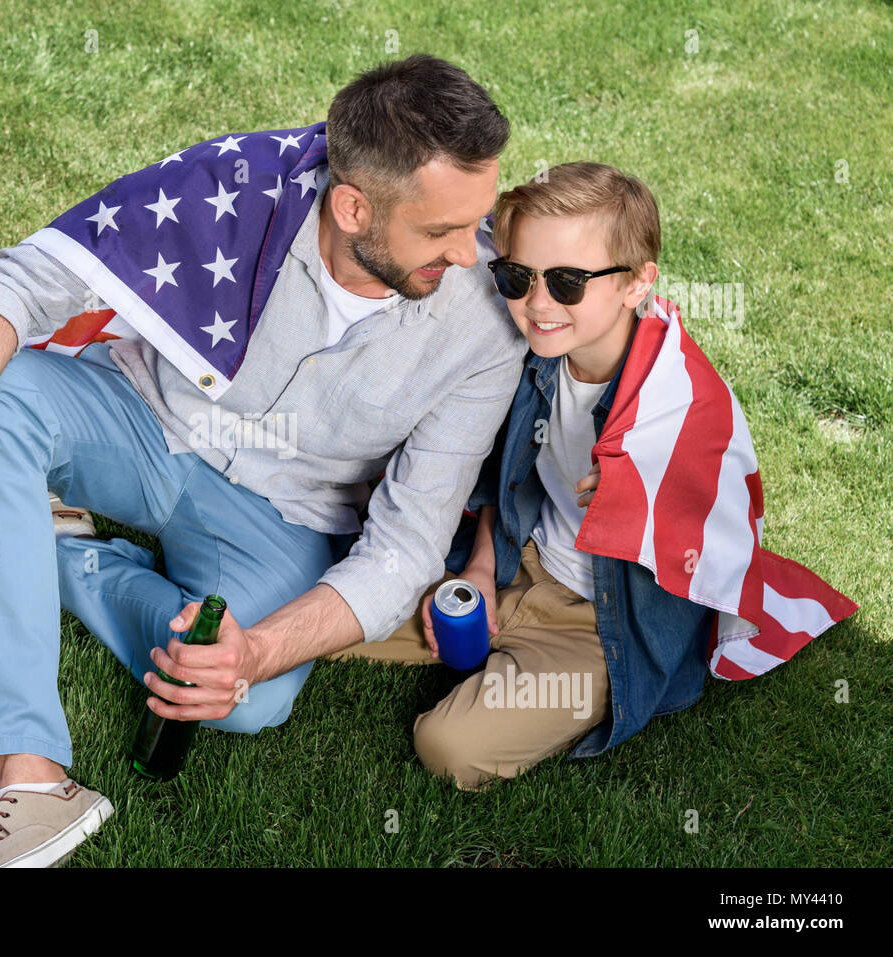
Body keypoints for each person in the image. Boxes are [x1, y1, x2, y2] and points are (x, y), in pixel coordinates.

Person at [0, 53, 526, 866]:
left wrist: (254, 652)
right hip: (143, 420)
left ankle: (48, 550)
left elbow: (406, 545)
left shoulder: (487, 321)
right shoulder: (231, 188)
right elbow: (8, 283)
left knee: (248, 697)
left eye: (476, 222)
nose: (471, 257)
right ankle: (28, 774)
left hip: (283, 511)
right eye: (441, 231)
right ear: (354, 206)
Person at [333, 161, 858, 789]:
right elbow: (501, 464)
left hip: (597, 623)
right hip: (512, 562)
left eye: (569, 282)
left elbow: (714, 507)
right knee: (333, 617)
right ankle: (480, 641)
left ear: (638, 284)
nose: (538, 304)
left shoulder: (680, 404)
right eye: (517, 276)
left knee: (448, 748)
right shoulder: (528, 353)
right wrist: (478, 562)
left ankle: (536, 677)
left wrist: (636, 501)